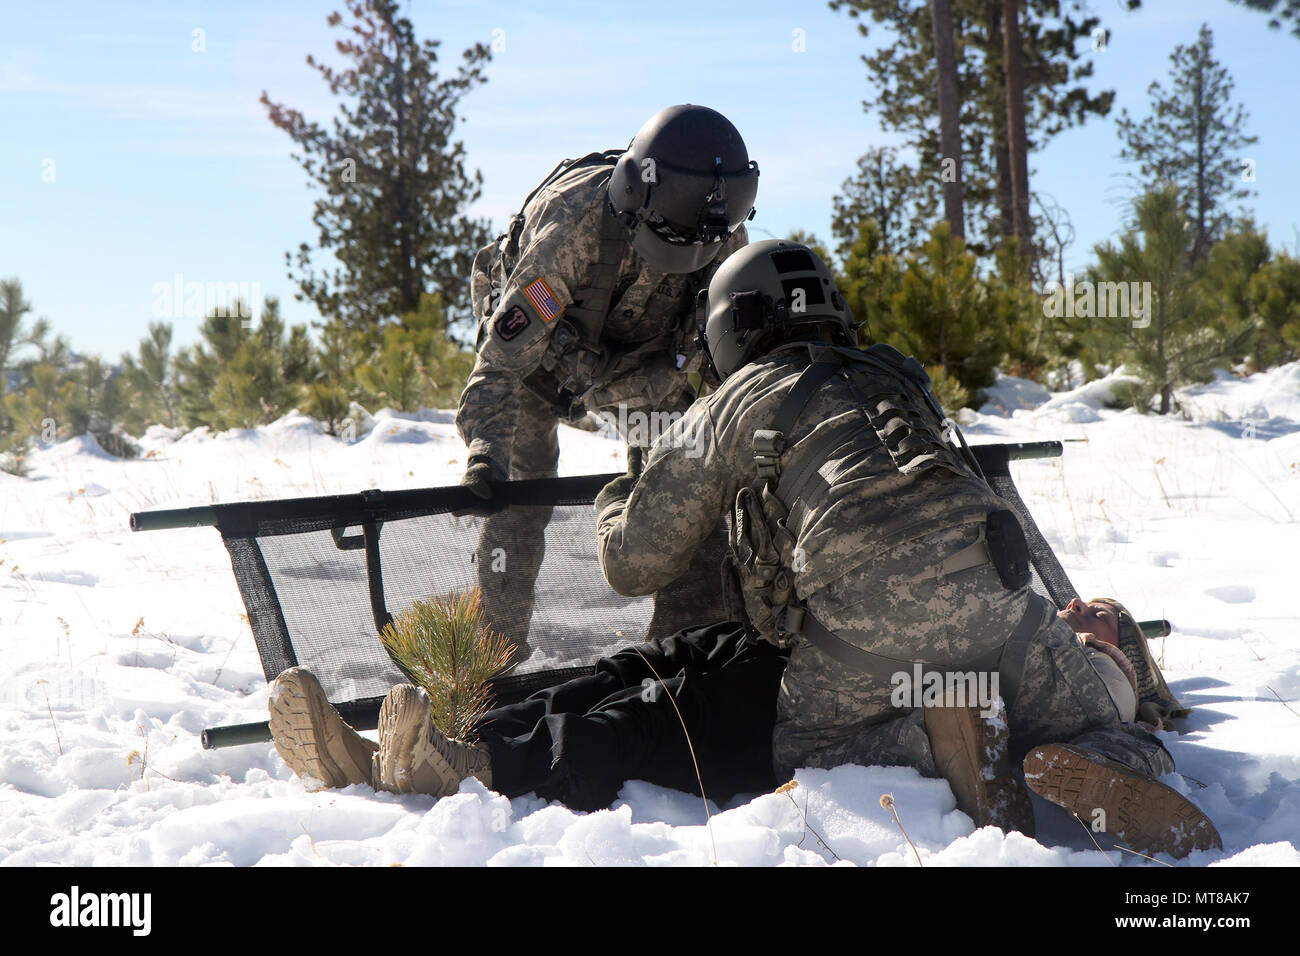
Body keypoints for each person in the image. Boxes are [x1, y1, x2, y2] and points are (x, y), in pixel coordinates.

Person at [453, 104, 757, 658]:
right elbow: (502, 362)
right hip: (541, 363)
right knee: (520, 499)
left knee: (686, 495)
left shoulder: (722, 236)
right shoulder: (571, 227)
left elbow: (727, 367)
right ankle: (491, 666)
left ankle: (682, 661)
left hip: (649, 378)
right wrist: (484, 454)